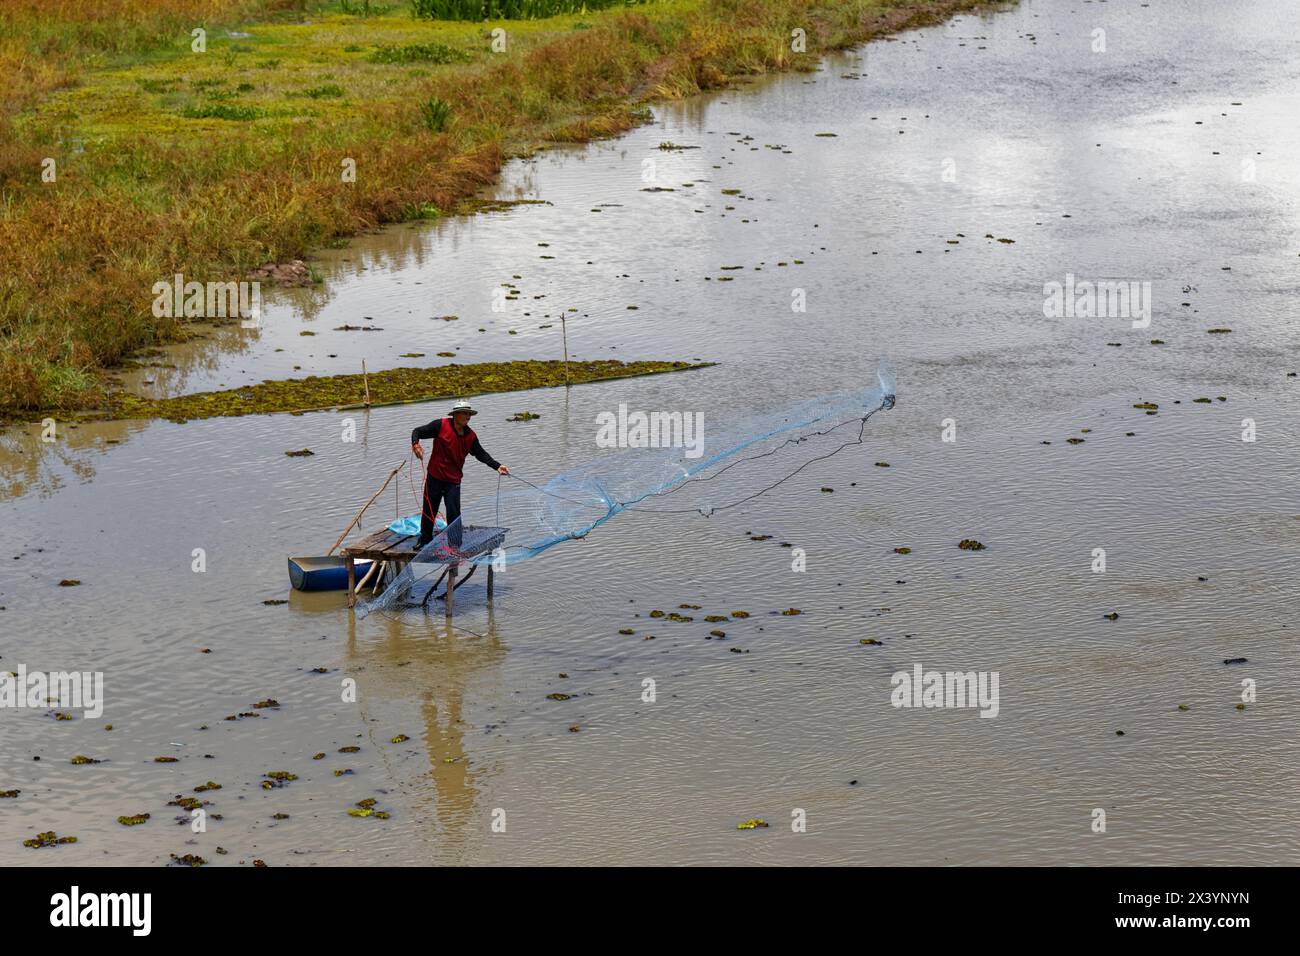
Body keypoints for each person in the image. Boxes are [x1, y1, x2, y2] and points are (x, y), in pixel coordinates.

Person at [411, 399, 508, 551]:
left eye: (469, 414)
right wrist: (416, 445)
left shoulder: (470, 436)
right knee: (430, 510)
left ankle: (455, 546)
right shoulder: (440, 425)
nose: (468, 417)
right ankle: (424, 541)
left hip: (453, 481)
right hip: (435, 477)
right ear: (455, 415)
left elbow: (480, 453)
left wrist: (497, 466)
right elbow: (417, 431)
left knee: (454, 513)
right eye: (465, 413)